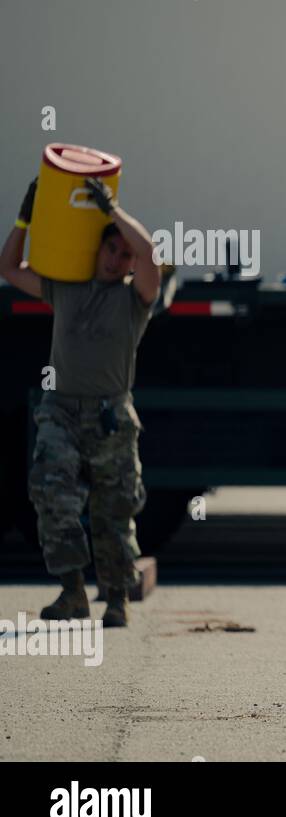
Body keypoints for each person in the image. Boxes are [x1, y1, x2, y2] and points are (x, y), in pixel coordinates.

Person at [0, 177, 161, 627]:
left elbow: (150, 254)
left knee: (113, 510)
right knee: (52, 495)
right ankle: (72, 592)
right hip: (62, 411)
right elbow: (9, 267)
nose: (119, 259)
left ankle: (115, 598)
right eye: (111, 250)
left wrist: (111, 210)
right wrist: (25, 217)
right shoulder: (64, 288)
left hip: (110, 415)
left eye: (124, 254)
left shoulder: (135, 299)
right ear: (96, 250)